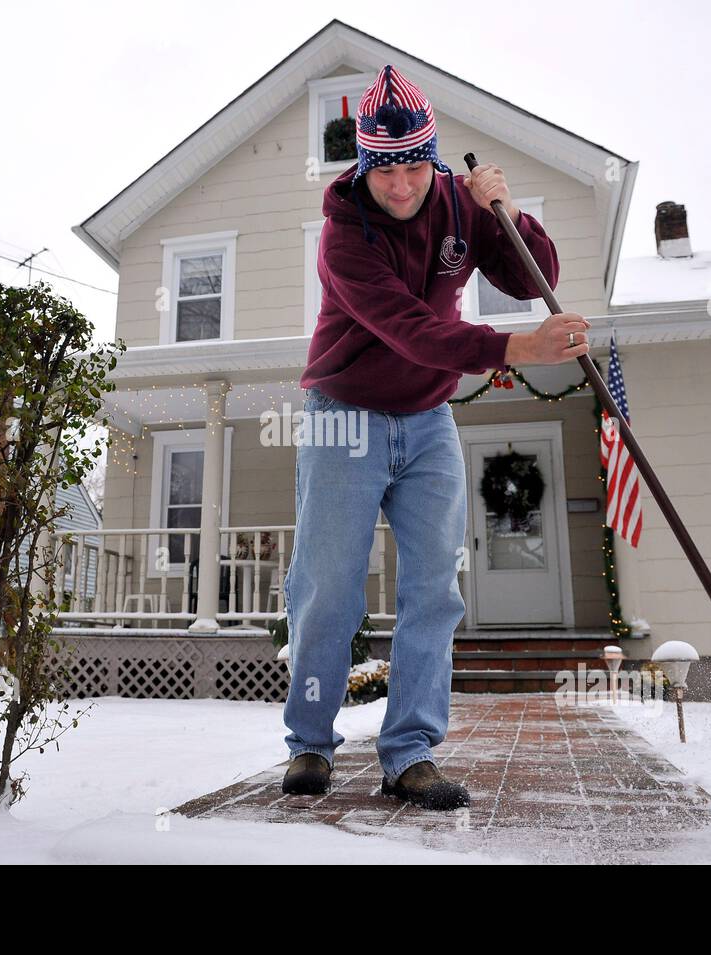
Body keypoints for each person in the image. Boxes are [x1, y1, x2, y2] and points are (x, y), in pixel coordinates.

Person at [281, 63, 591, 810]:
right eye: (384, 168)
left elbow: (533, 275)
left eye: (414, 164)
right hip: (345, 413)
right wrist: (517, 350)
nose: (400, 184)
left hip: (427, 419)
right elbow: (414, 332)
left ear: (434, 156)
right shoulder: (343, 235)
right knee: (328, 591)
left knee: (433, 587)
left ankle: (410, 750)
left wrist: (507, 211)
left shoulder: (460, 199)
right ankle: (310, 745)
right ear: (364, 163)